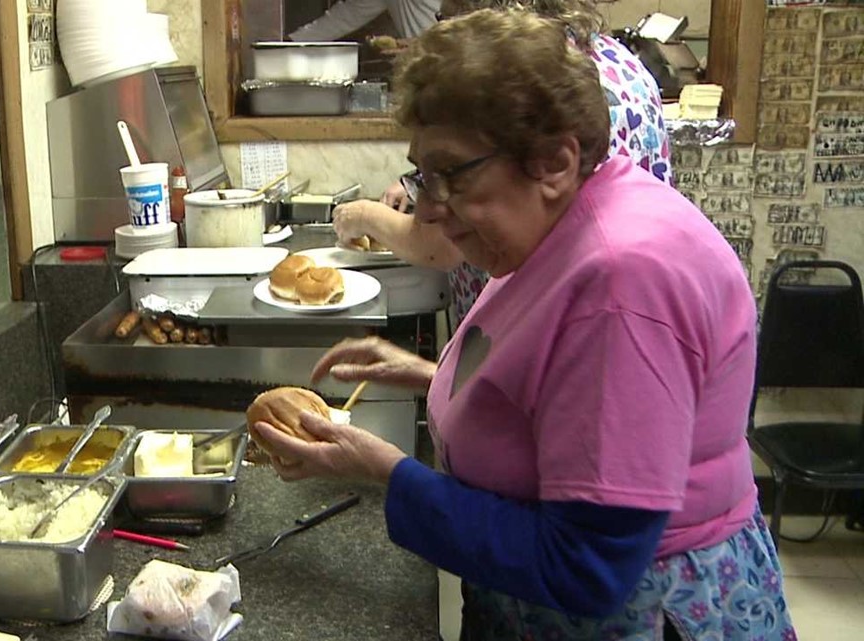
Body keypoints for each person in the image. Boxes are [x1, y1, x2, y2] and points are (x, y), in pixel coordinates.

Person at [251, 9, 794, 640]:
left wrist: (384, 471)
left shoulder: (621, 281)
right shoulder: (558, 224)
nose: (427, 208)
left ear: (554, 161)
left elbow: (587, 566)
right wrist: (432, 375)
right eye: (422, 175)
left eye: (450, 174)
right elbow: (572, 393)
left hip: (644, 617)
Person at [333, 0, 671, 327]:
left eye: (448, 17)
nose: (425, 212)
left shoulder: (608, 311)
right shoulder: (620, 61)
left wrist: (363, 215)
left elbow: (439, 247)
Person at [288, 0, 442, 42]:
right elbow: (347, 16)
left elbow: (465, 25)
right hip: (424, 74)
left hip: (457, 66)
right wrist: (292, 41)